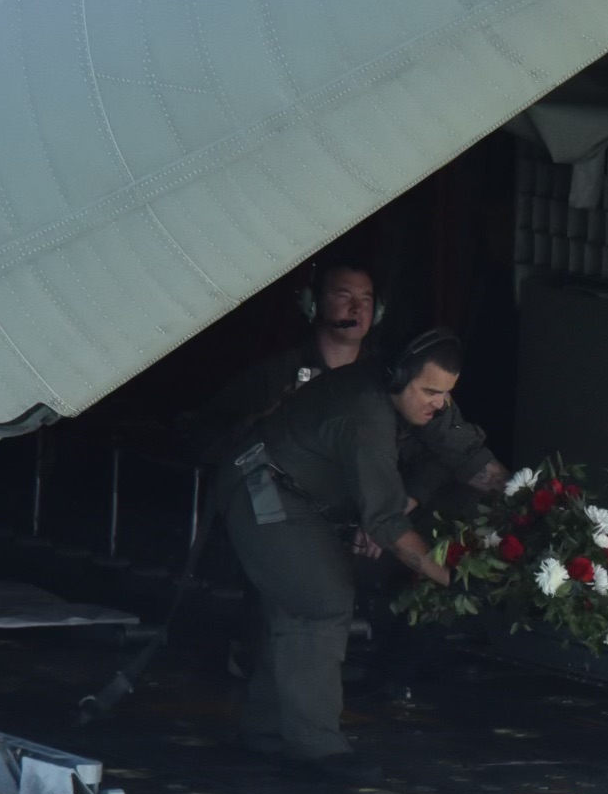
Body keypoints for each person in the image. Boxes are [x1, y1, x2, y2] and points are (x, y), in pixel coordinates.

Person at [224, 329, 471, 762]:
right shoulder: (366, 415)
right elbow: (387, 523)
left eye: (447, 394)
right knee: (321, 600)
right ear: (398, 378)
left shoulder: (403, 398)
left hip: (289, 492)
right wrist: (454, 578)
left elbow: (467, 453)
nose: (439, 403)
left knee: (299, 604)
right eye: (430, 391)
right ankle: (316, 746)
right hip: (261, 487)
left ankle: (265, 731)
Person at [194, 262, 379, 465]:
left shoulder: (378, 381)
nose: (357, 309)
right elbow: (204, 436)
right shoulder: (275, 373)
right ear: (313, 303)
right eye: (344, 296)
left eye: (366, 300)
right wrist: (264, 422)